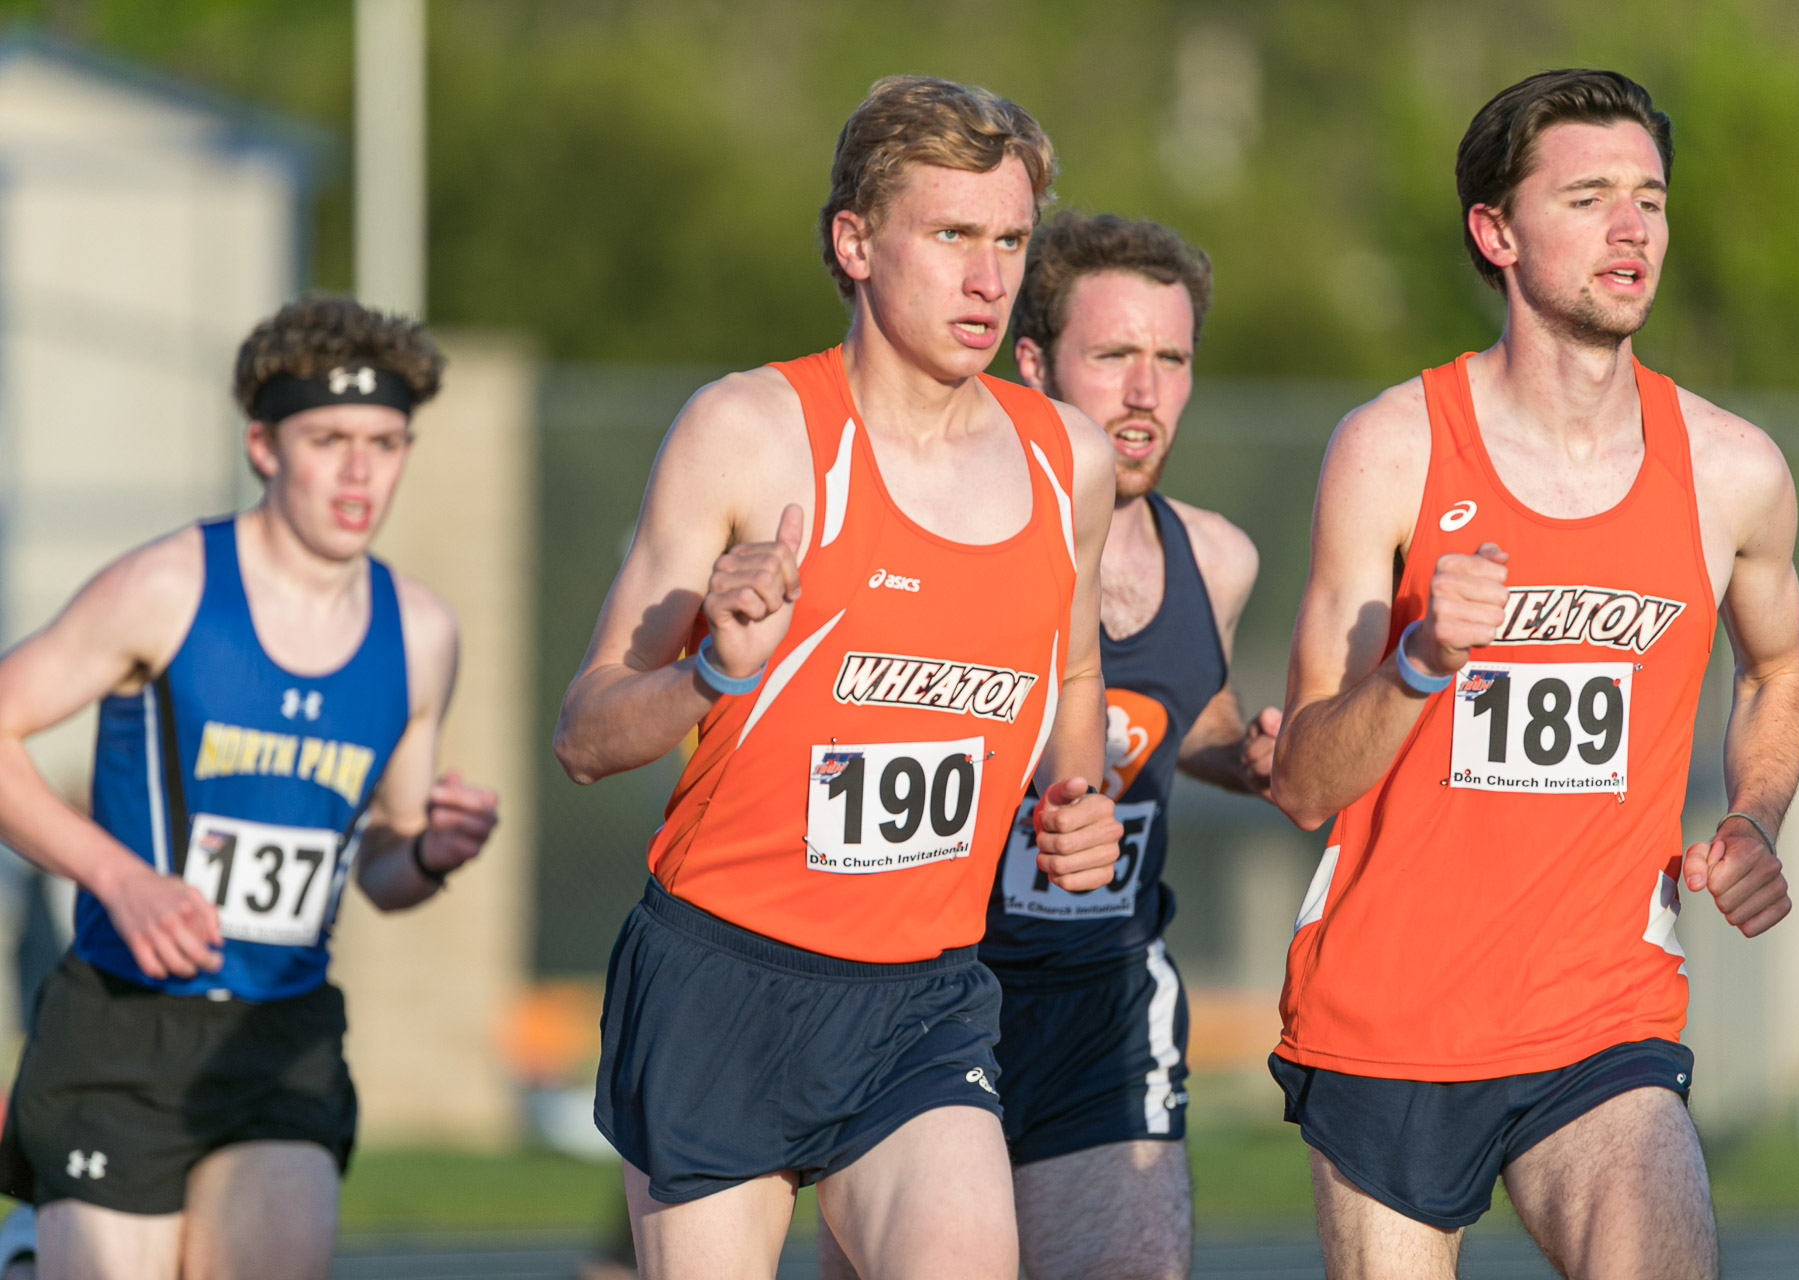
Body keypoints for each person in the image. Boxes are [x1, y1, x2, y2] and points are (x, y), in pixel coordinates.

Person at [553, 76, 1122, 1280]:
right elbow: (587, 732)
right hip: (723, 979)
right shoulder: (751, 433)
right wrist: (711, 670)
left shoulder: (1065, 457)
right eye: (952, 235)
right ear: (855, 242)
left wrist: (1077, 796)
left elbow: (1072, 663)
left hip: (925, 996)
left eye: (1011, 241)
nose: (988, 280)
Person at [1266, 69, 1799, 1280]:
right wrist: (1418, 663)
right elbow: (1303, 781)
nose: (1633, 229)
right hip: (1391, 1019)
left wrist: (1756, 815)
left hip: (1603, 1015)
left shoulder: (1732, 471)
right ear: (1497, 231)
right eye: (1589, 197)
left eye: (1650, 199)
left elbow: (1776, 671)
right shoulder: (1392, 449)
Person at [0, 296, 501, 1280]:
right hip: (125, 1021)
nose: (359, 472)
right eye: (329, 440)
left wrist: (430, 851)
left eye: (384, 443)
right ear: (264, 446)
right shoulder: (169, 587)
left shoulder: (420, 632)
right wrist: (119, 879)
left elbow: (384, 869)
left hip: (280, 1030)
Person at [819, 211, 1277, 1280]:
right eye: (1112, 356)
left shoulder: (1217, 558)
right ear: (1033, 363)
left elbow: (1185, 714)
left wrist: (1248, 752)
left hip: (1102, 997)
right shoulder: (951, 542)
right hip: (926, 994)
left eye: (1172, 360)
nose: (1144, 391)